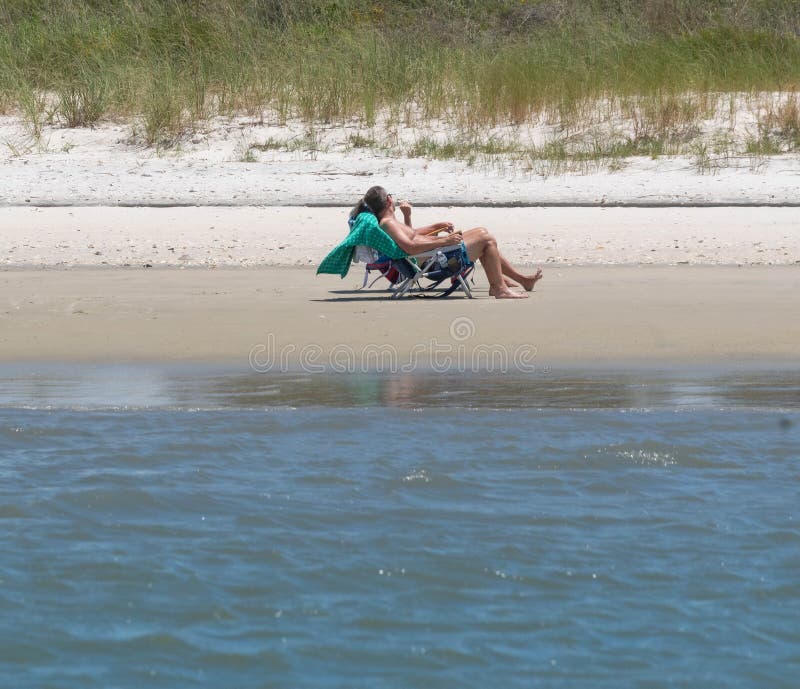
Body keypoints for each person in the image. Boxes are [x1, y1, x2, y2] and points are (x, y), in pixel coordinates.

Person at [350, 185, 542, 299]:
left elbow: (412, 235)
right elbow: (409, 247)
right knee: (486, 239)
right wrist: (445, 240)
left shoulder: (389, 222)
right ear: (389, 200)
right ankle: (499, 288)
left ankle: (521, 280)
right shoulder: (387, 223)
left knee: (482, 231)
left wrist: (437, 226)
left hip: (435, 254)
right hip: (436, 262)